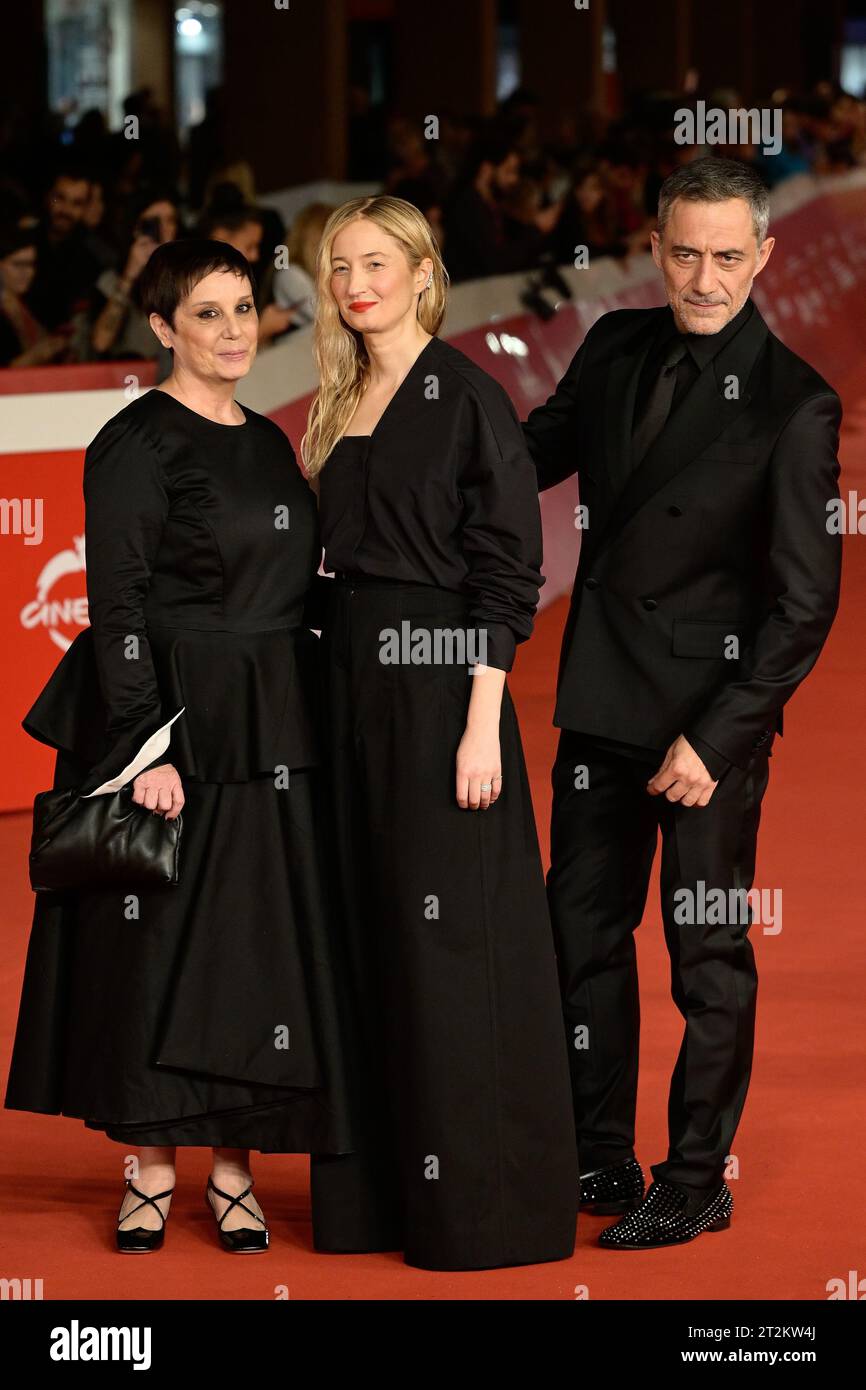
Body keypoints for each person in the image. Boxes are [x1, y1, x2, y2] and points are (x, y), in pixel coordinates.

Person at [4, 239, 357, 1254]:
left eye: (243, 308)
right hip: (168, 722)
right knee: (155, 946)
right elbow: (114, 606)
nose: (234, 330)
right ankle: (152, 1164)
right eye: (207, 314)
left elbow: (293, 590)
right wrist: (139, 746)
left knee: (250, 949)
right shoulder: (133, 444)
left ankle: (235, 1164)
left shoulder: (269, 438)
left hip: (267, 722)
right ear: (162, 329)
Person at [521, 156, 843, 1249]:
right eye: (684, 252)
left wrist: (713, 738)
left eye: (725, 254)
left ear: (762, 255)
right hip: (599, 699)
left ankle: (697, 1173)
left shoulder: (798, 404)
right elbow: (524, 460)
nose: (703, 277)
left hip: (708, 725)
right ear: (653, 250)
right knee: (579, 939)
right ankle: (595, 1150)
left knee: (704, 960)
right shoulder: (612, 346)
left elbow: (803, 605)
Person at [302, 195, 579, 1271]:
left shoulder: (466, 396)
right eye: (337, 266)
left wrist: (481, 725)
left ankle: (481, 1210)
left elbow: (507, 575)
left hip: (439, 696)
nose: (354, 282)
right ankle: (377, 1203)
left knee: (454, 943)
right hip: (349, 688)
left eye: (376, 261)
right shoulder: (339, 393)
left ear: (423, 272)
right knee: (369, 933)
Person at [0, 224, 69, 366]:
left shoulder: (32, 301)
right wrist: (38, 354)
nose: (28, 273)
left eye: (31, 264)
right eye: (18, 264)